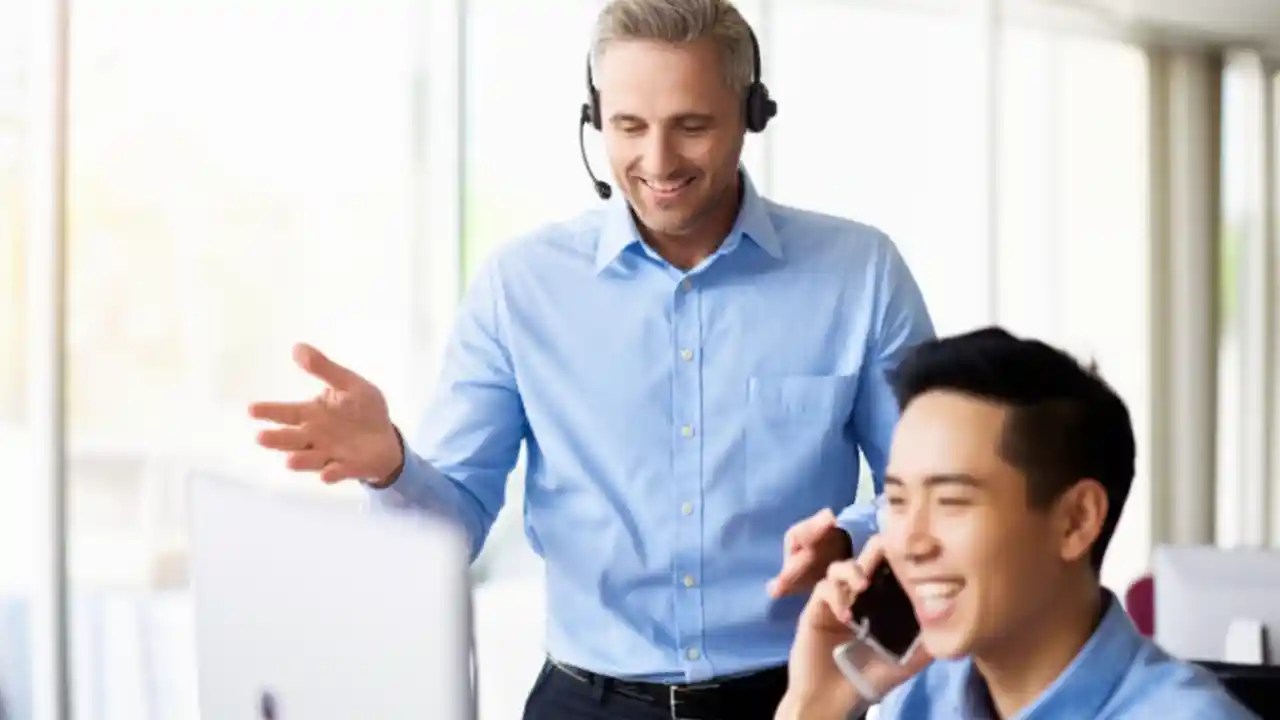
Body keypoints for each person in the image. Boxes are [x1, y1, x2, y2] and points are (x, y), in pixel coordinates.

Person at [248, 0, 933, 717]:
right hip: (583, 703)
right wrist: (389, 467)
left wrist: (849, 539)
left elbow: (932, 497)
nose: (658, 162)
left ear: (751, 113)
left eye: (692, 126)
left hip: (796, 695)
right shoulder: (522, 287)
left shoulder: (860, 275)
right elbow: (449, 537)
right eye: (629, 127)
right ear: (594, 118)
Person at [776, 328, 1257, 720]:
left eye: (950, 501)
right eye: (897, 500)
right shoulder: (921, 699)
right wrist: (814, 706)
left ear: (1075, 521)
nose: (910, 544)